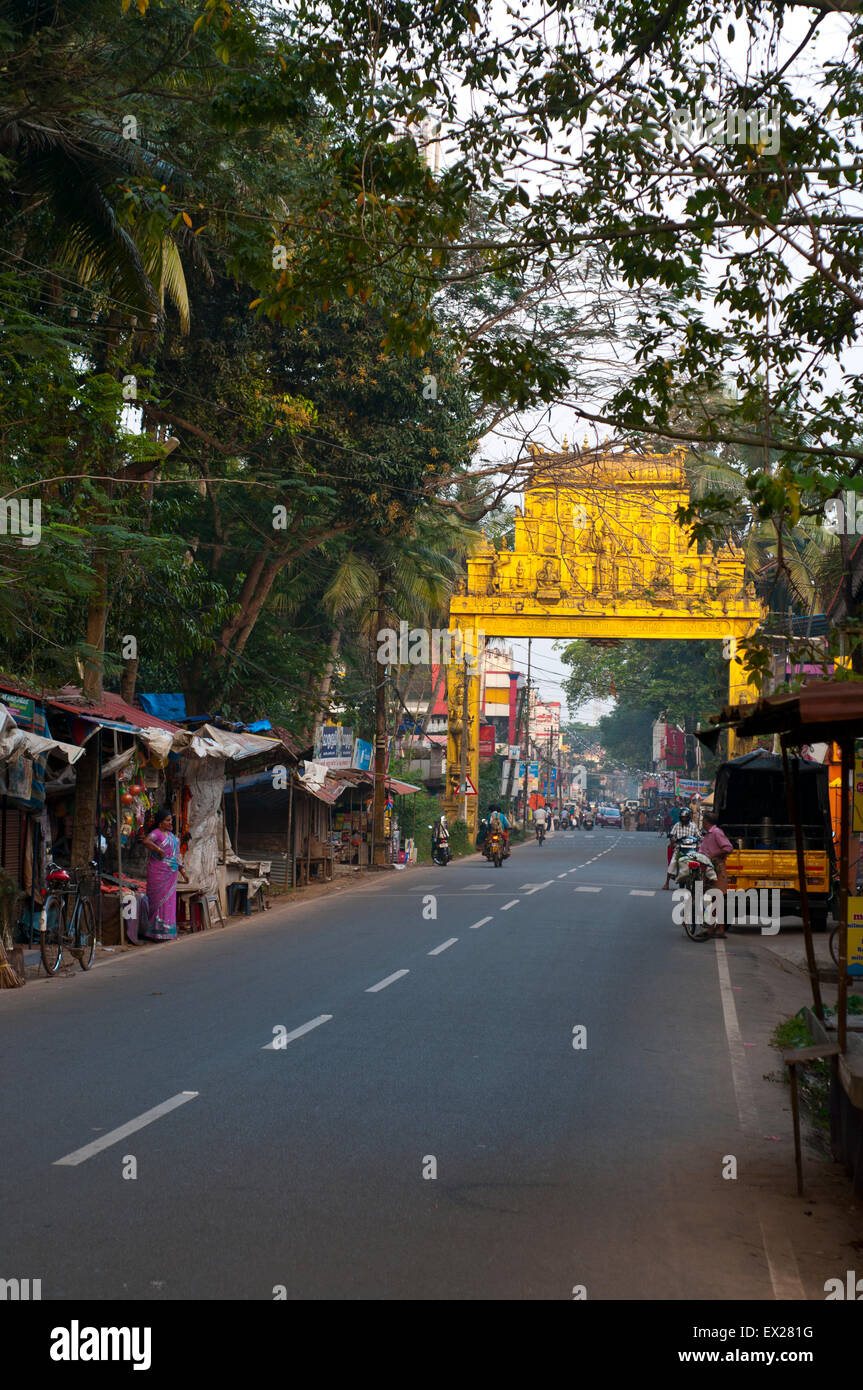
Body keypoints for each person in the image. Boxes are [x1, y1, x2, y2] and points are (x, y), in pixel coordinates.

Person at [140, 805, 188, 940]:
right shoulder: (157, 833)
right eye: (167, 820)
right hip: (158, 872)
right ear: (161, 822)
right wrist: (158, 850)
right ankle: (154, 932)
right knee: (156, 901)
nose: (170, 822)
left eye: (170, 820)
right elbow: (146, 841)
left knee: (169, 902)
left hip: (171, 874)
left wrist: (184, 873)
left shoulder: (173, 837)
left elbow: (176, 857)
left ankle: (167, 931)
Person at [699, 813, 733, 931]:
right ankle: (713, 928)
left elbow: (728, 848)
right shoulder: (708, 834)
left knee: (717, 898)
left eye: (703, 821)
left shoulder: (716, 832)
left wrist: (714, 855)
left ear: (706, 822)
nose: (702, 823)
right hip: (708, 868)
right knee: (710, 898)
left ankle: (719, 929)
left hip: (717, 868)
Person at [663, 807, 695, 890]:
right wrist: (672, 839)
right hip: (679, 848)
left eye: (685, 817)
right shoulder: (677, 825)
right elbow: (672, 834)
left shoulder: (693, 826)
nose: (684, 819)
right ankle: (666, 883)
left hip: (691, 849)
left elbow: (699, 836)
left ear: (688, 818)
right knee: (673, 863)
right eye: (682, 817)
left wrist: (700, 840)